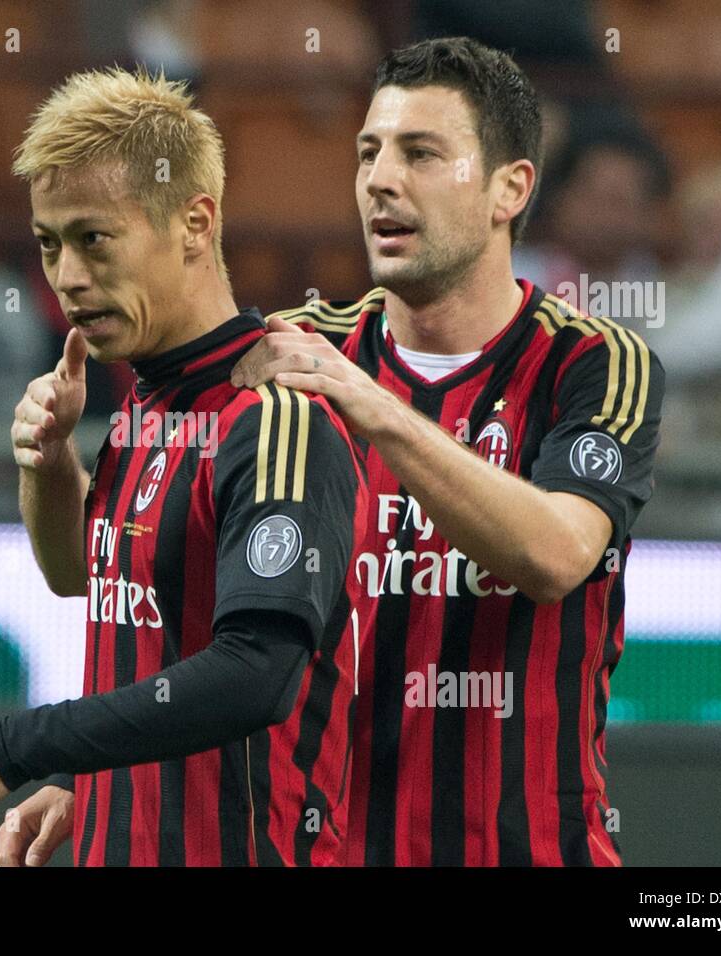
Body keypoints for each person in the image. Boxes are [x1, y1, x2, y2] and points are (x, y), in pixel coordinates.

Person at [0, 68, 372, 866]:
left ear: (194, 223)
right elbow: (84, 581)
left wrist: (16, 748)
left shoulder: (274, 422)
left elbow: (256, 673)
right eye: (49, 244)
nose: (67, 276)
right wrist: (50, 464)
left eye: (93, 239)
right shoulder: (146, 402)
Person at [231, 37, 665, 865]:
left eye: (420, 153)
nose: (379, 179)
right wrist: (93, 771)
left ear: (511, 188)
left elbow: (555, 554)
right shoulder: (296, 353)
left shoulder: (595, 363)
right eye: (369, 153)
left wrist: (374, 408)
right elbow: (171, 589)